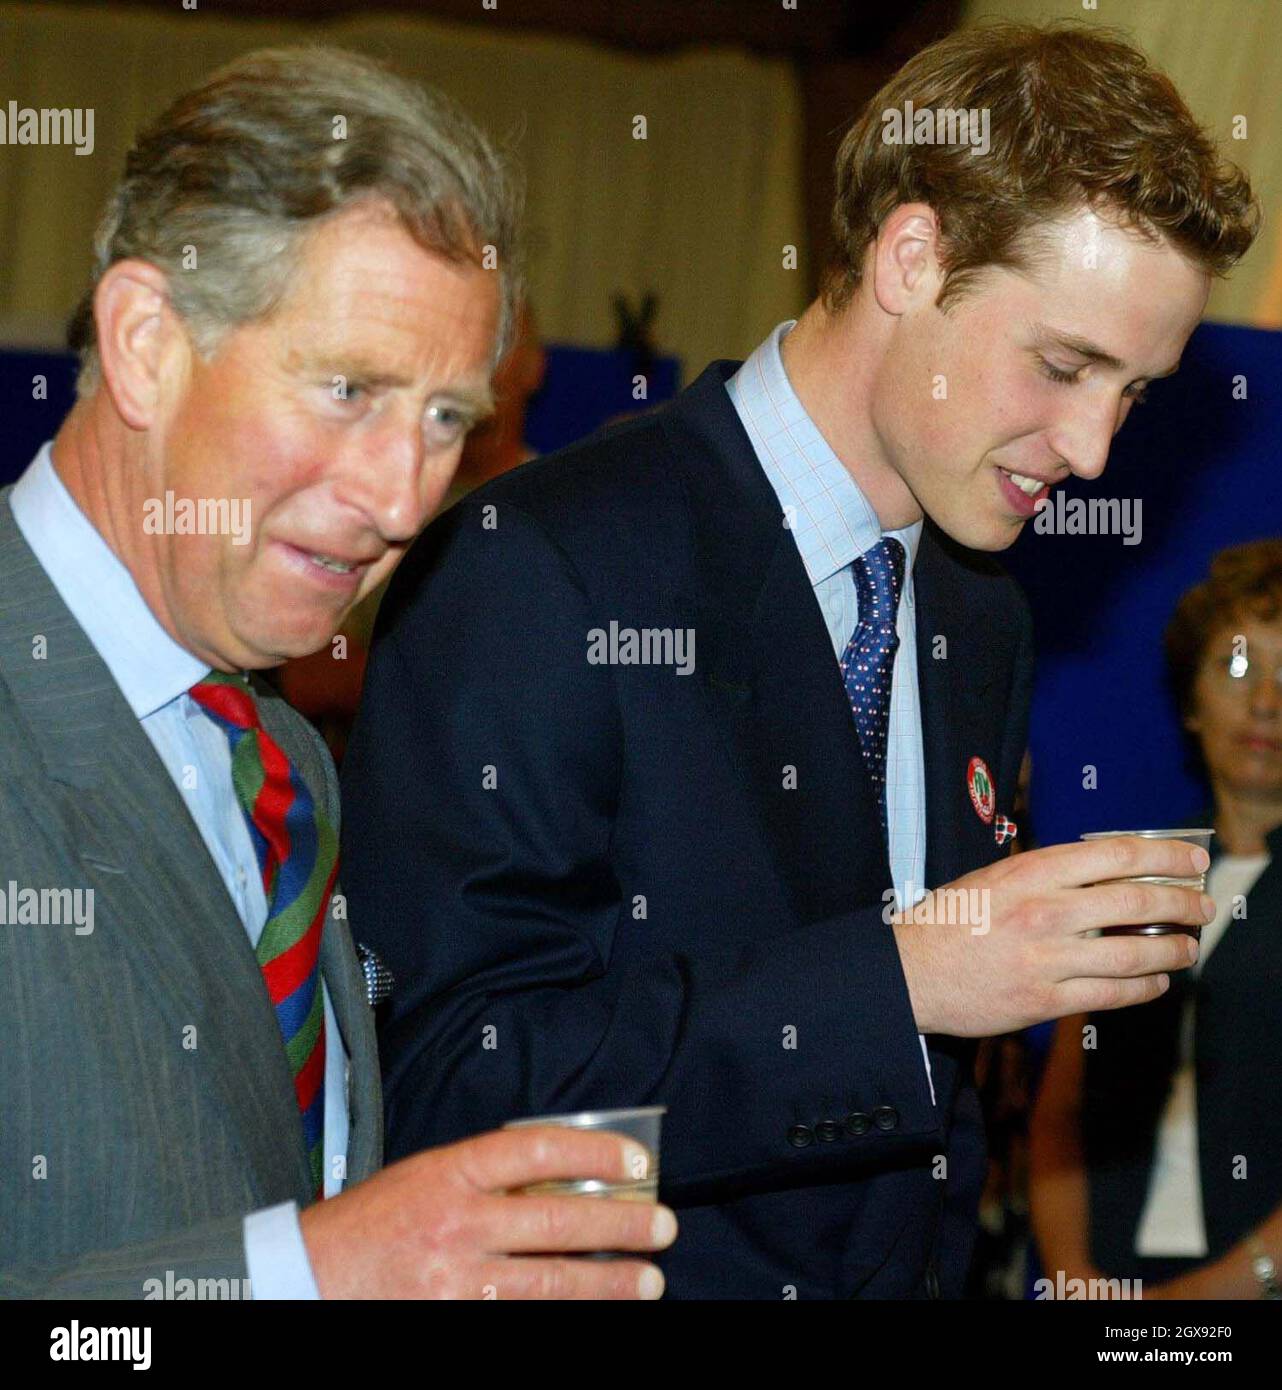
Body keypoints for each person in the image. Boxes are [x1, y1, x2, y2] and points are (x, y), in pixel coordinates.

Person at [341, 23, 1256, 1299]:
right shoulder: (537, 561)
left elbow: (924, 1137)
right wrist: (903, 981)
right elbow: (450, 1082)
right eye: (1062, 365)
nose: (1094, 449)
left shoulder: (978, 610)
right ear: (910, 254)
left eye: (1135, 393)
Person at [0, 46, 675, 1301]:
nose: (402, 498)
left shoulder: (282, 756)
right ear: (147, 343)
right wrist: (304, 1274)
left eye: (442, 419)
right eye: (350, 388)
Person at [1031, 541, 1282, 1298]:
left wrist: (1212, 1298)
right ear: (1190, 703)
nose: (1267, 701)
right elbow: (1060, 1114)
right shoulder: (1135, 877)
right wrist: (1075, 1282)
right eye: (1237, 669)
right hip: (1114, 1282)